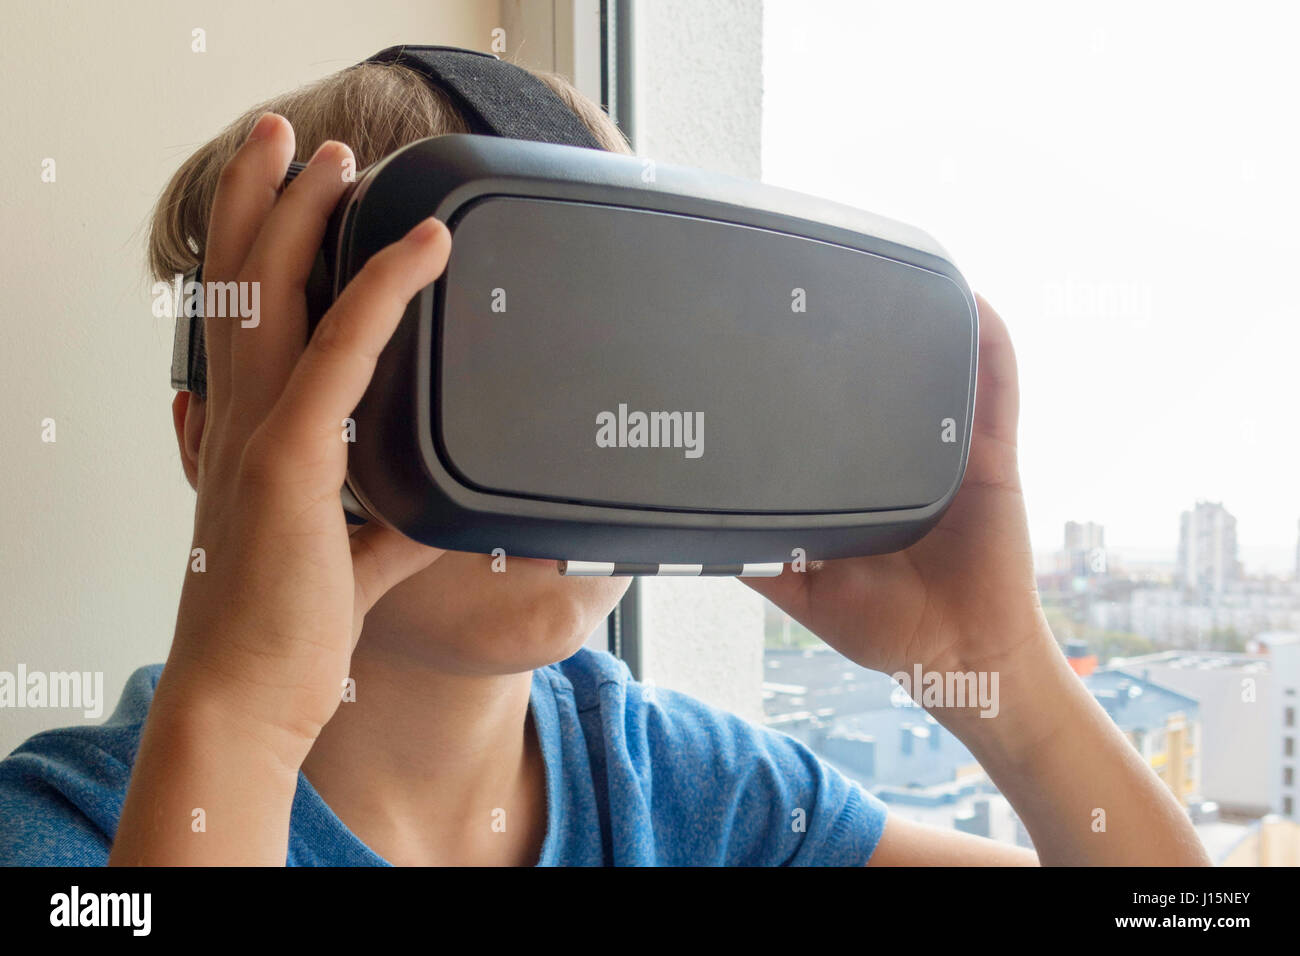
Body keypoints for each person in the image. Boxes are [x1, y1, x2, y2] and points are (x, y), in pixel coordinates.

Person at [0, 58, 1209, 866]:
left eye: (626, 363)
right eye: (495, 358)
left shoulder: (685, 788)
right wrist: (244, 714)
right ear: (217, 439)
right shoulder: (70, 831)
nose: (590, 431)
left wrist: (994, 669)